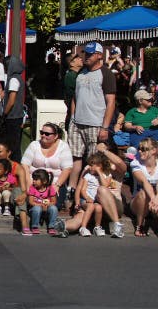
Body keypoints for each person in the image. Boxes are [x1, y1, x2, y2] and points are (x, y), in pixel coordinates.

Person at [67, 42, 117, 195]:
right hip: (77, 123)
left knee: (93, 162)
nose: (86, 56)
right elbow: (75, 97)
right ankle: (71, 189)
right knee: (74, 158)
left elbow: (111, 102)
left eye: (90, 54)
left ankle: (89, 193)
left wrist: (105, 127)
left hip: (95, 123)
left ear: (99, 55)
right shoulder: (81, 73)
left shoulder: (106, 74)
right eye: (85, 53)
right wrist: (73, 118)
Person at [20, 122, 73, 210]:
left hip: (54, 184)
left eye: (47, 134)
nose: (43, 135)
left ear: (56, 136)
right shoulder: (34, 145)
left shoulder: (63, 147)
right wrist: (29, 182)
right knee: (30, 204)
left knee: (52, 207)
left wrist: (57, 185)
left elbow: (67, 169)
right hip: (34, 184)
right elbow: (24, 165)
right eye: (42, 133)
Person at [129, 138, 158, 237]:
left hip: (154, 204)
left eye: (144, 148)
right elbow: (144, 182)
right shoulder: (135, 163)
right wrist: (154, 198)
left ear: (154, 150)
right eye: (139, 148)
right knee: (143, 193)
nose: (140, 151)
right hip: (139, 204)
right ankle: (139, 226)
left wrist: (156, 199)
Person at [0, 56, 25, 161]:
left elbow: (11, 100)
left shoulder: (14, 79)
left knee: (12, 146)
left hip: (12, 117)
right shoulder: (18, 78)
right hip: (17, 116)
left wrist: (4, 113)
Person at [27, 169, 59, 235]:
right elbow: (31, 201)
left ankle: (51, 227)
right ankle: (35, 226)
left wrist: (48, 205)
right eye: (33, 179)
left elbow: (54, 201)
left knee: (54, 208)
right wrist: (40, 205)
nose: (33, 181)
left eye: (36, 180)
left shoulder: (50, 188)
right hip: (35, 209)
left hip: (46, 209)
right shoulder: (32, 188)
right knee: (37, 208)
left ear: (44, 181)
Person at [63, 53, 83, 129]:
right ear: (71, 63)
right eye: (77, 58)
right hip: (74, 113)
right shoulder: (70, 76)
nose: (81, 59)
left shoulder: (79, 74)